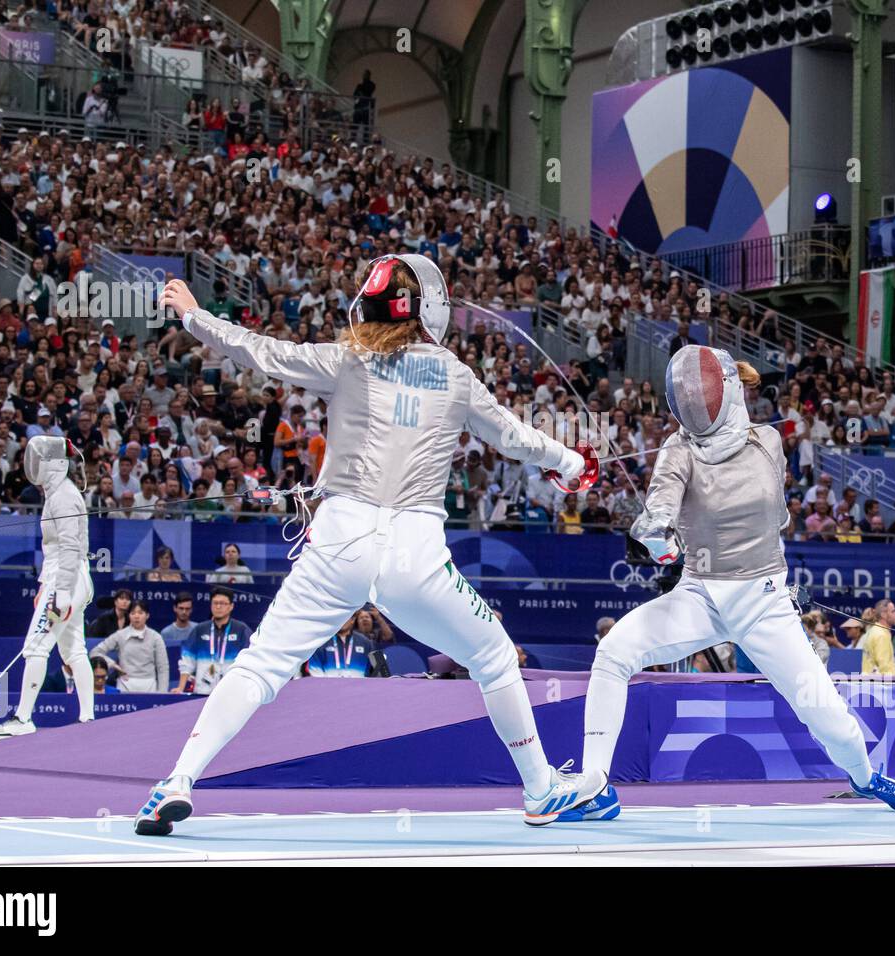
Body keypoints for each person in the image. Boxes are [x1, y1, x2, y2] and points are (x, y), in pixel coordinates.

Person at [136, 262, 604, 836]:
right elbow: (514, 436)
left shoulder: (346, 359)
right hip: (416, 556)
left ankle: (176, 782)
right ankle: (540, 790)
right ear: (430, 309)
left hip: (340, 542)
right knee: (495, 659)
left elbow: (258, 350)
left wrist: (195, 315)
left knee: (261, 664)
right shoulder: (454, 374)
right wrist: (571, 465)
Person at [568, 345, 895, 823]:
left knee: (828, 717)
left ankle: (865, 778)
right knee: (613, 652)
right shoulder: (677, 448)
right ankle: (594, 786)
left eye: (702, 394)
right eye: (686, 398)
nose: (695, 405)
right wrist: (656, 535)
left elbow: (773, 515)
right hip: (700, 595)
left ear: (729, 391)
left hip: (764, 603)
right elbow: (661, 507)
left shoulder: (768, 441)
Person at [0, 436, 95, 735]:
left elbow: (70, 547)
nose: (35, 464)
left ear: (56, 464)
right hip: (70, 578)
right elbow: (58, 550)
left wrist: (60, 592)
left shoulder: (63, 496)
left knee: (36, 647)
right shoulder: (59, 493)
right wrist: (44, 586)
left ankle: (23, 719)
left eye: (41, 459)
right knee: (74, 650)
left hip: (67, 578)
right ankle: (88, 718)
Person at [175, 588, 252, 696]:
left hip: (231, 692)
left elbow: (249, 662)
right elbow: (187, 661)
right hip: (202, 691)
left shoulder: (241, 630)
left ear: (231, 606)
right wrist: (181, 687)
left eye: (223, 603)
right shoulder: (200, 629)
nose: (218, 606)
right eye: (215, 603)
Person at [90, 600, 170, 692]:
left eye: (140, 613)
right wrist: (112, 664)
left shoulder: (156, 637)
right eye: (133, 613)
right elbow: (95, 652)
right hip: (125, 685)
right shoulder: (120, 635)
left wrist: (162, 693)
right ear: (129, 615)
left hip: (150, 686)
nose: (136, 616)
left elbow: (163, 668)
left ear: (147, 615)